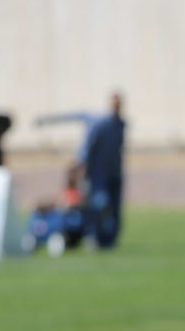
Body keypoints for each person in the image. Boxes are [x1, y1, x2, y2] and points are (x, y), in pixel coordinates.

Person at [35, 92, 127, 249]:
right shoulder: (101, 124)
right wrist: (81, 164)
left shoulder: (121, 124)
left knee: (114, 209)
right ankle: (97, 238)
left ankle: (110, 242)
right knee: (99, 205)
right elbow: (87, 147)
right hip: (100, 176)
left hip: (115, 174)